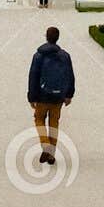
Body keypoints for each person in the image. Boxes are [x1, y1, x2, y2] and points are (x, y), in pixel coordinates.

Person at [27, 25, 75, 165]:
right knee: (54, 123)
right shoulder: (65, 56)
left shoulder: (38, 56)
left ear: (46, 37)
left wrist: (31, 96)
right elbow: (70, 76)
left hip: (42, 96)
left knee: (39, 120)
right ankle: (51, 152)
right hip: (58, 96)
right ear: (57, 38)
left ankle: (45, 144)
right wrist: (69, 94)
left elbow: (33, 76)